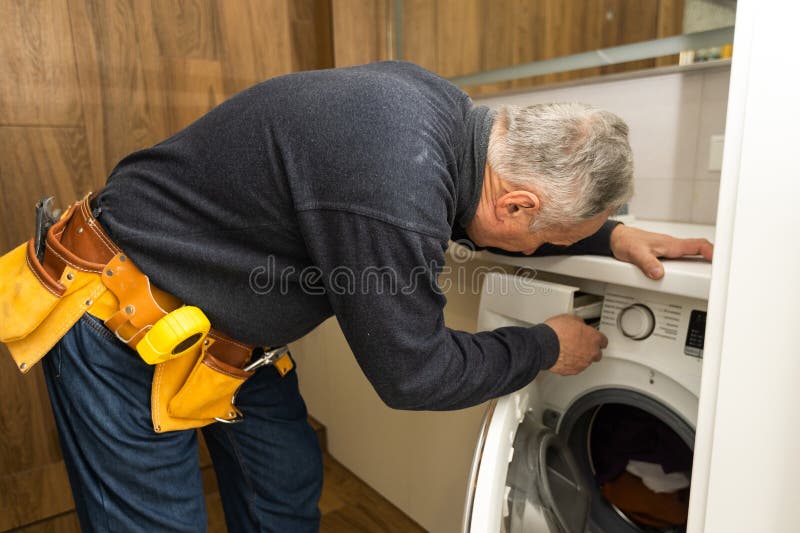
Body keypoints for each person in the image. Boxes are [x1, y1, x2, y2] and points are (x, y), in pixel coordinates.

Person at [0, 61, 712, 532]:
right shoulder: (395, 181)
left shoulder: (447, 120)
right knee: (161, 522)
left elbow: (476, 218)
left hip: (227, 340)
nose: (534, 249)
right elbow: (415, 374)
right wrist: (545, 345)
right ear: (519, 203)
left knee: (284, 487)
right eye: (547, 236)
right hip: (118, 319)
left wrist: (611, 238)